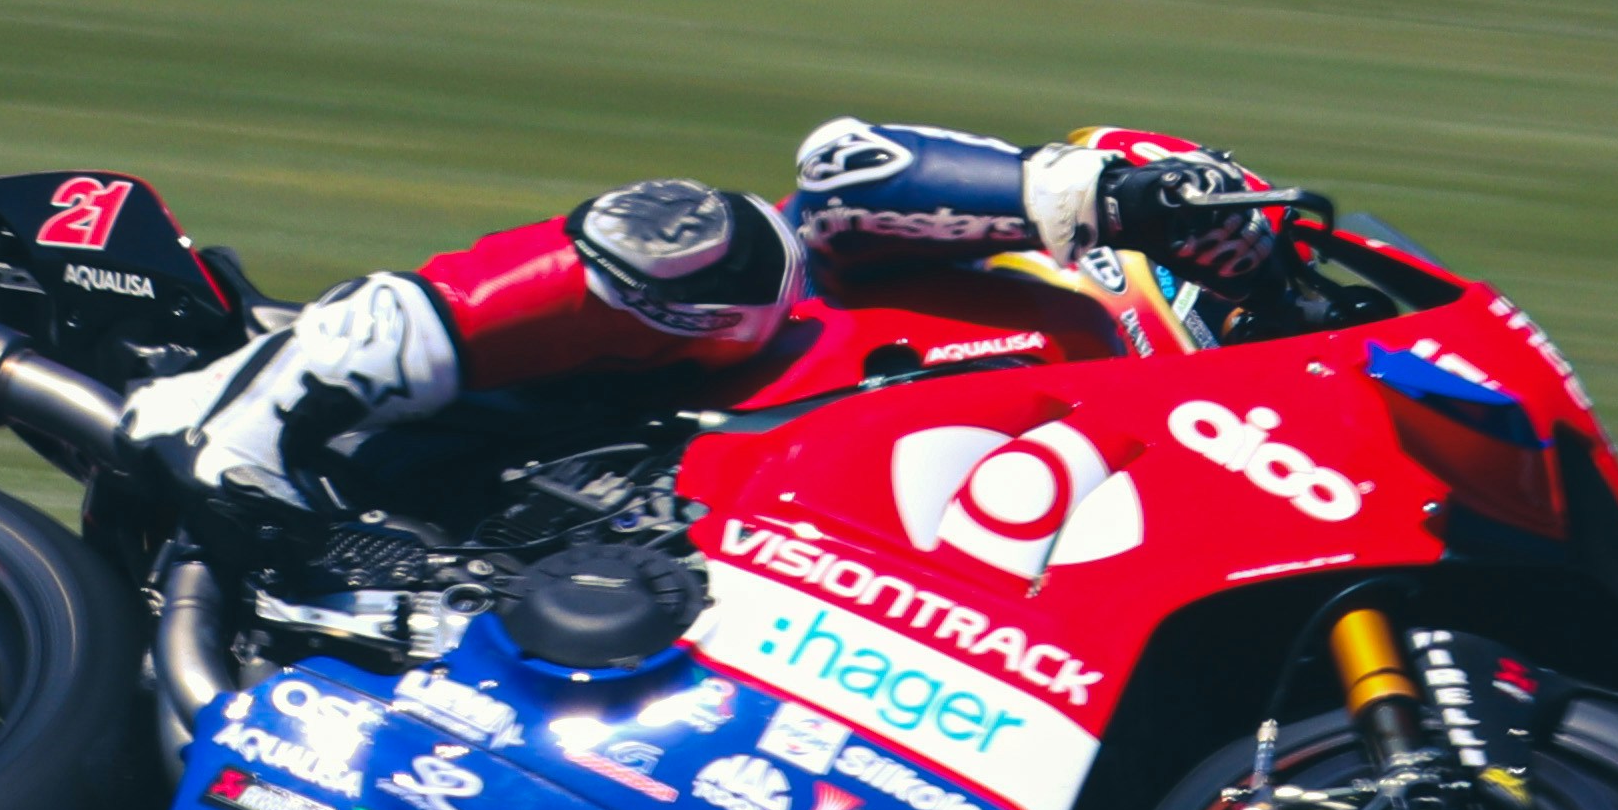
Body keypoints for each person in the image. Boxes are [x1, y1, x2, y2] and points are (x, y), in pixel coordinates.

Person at [117, 119, 1304, 514]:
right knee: (721, 246)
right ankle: (258, 410)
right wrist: (1107, 197)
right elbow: (846, 170)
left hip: (734, 606)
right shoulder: (1072, 301)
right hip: (600, 435)